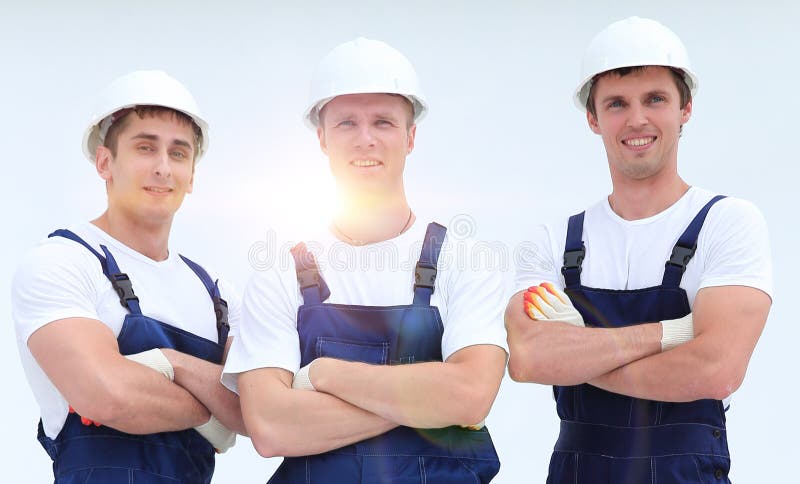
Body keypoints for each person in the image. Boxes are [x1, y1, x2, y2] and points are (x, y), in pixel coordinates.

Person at [222, 37, 507, 483]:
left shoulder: (467, 260)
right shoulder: (280, 270)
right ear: (322, 138)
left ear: (410, 137)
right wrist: (430, 403)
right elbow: (271, 427)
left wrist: (324, 374)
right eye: (346, 123)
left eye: (383, 122)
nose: (365, 139)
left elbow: (470, 396)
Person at [505, 17, 773, 483]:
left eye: (655, 99)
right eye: (616, 103)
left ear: (685, 108)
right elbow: (528, 359)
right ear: (593, 118)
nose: (636, 120)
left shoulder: (728, 223)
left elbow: (717, 369)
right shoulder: (552, 240)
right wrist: (672, 333)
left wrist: (580, 355)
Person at [12, 70, 243, 483]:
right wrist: (212, 412)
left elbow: (255, 411)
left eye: (178, 153)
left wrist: (169, 364)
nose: (163, 168)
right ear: (105, 162)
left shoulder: (215, 295)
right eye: (145, 148)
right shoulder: (63, 262)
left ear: (192, 175)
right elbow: (107, 395)